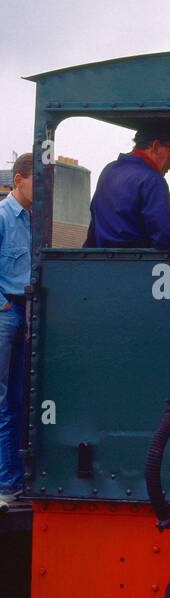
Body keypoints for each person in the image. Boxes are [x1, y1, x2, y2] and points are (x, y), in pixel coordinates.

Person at [84, 123, 170, 249]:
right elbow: (165, 237)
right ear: (155, 146)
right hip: (138, 264)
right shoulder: (152, 180)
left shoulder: (109, 170)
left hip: (103, 261)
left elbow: (94, 225)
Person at [0, 152, 32, 508]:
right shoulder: (4, 217)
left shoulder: (30, 220)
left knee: (18, 400)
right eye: (35, 179)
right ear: (19, 179)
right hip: (8, 309)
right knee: (4, 399)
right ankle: (6, 482)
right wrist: (4, 305)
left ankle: (11, 480)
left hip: (24, 310)